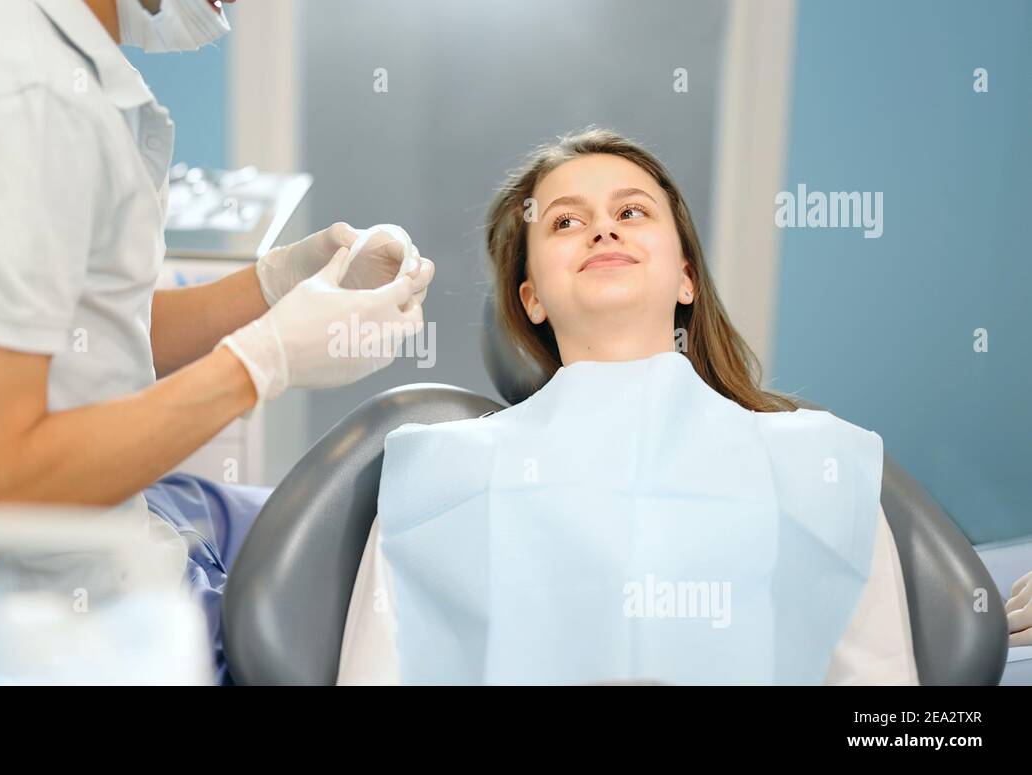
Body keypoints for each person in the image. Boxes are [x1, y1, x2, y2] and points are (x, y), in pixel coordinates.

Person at [0, 0, 433, 683]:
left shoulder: (18, 54)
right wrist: (263, 360)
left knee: (358, 537)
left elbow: (85, 330)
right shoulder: (17, 104)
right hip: (52, 629)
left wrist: (279, 283)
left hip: (115, 540)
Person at [336, 128, 917, 685]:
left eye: (631, 212)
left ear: (686, 278)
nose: (603, 231)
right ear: (532, 298)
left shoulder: (817, 462)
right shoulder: (441, 473)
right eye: (565, 221)